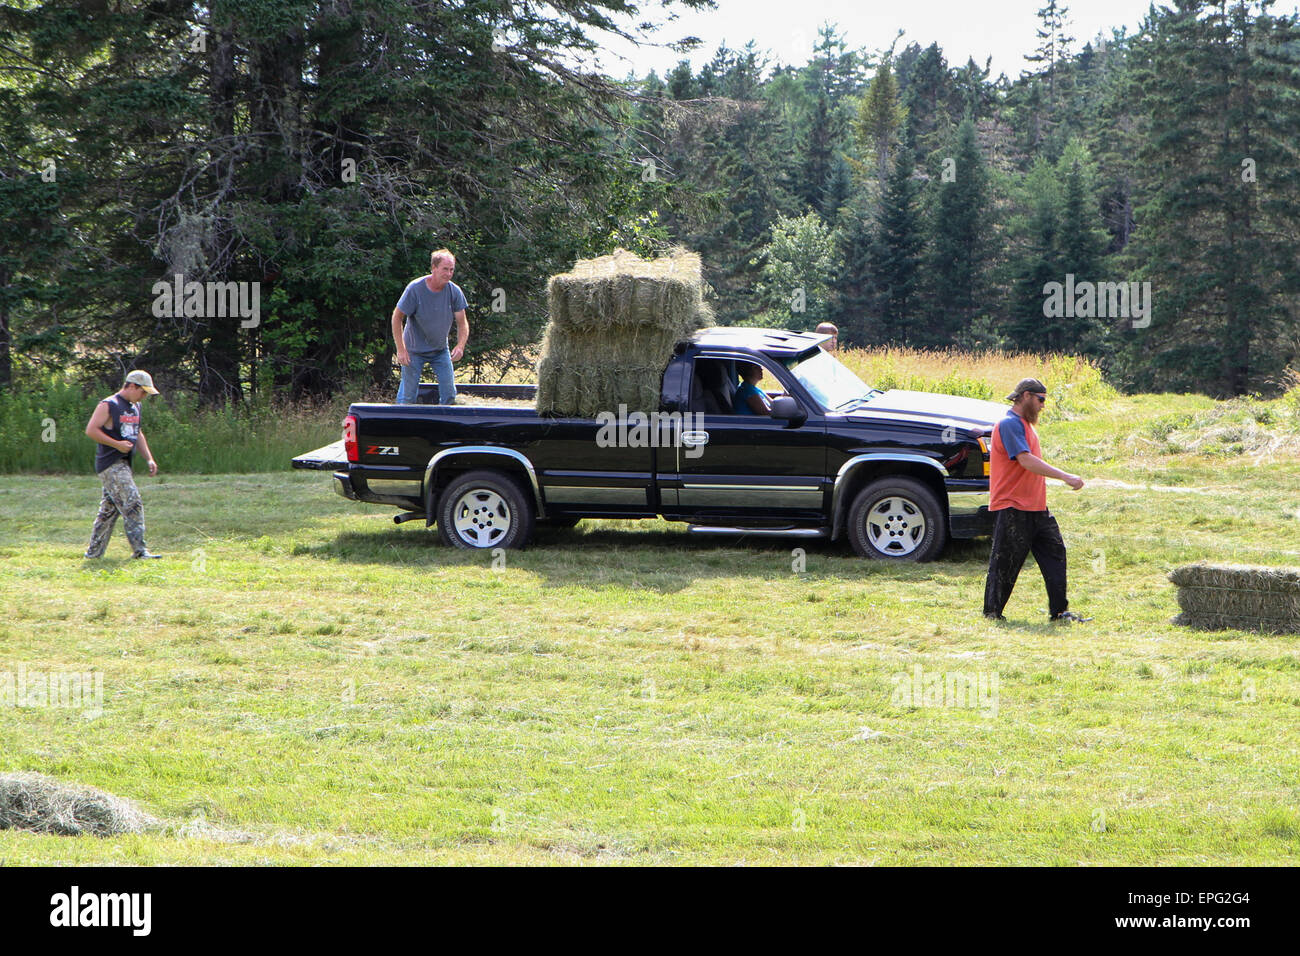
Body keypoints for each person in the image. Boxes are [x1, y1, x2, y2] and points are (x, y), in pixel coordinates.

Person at [983, 377, 1091, 623]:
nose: (1043, 405)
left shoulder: (1025, 425)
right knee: (1006, 563)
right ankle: (992, 613)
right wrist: (1065, 476)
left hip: (1036, 507)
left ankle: (1059, 612)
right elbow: (1025, 460)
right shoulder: (1010, 424)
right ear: (1026, 396)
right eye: (1041, 400)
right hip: (1013, 506)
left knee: (1055, 553)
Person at [84, 370, 161, 559]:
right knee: (132, 502)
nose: (144, 396)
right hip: (110, 464)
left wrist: (149, 458)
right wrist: (116, 444)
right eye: (143, 392)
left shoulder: (136, 407)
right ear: (132, 386)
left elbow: (138, 433)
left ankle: (93, 554)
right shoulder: (109, 405)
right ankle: (140, 551)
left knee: (108, 511)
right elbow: (91, 430)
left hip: (125, 464)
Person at [391, 248, 469, 404]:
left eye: (451, 270)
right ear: (434, 268)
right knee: (408, 397)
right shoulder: (415, 289)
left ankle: (444, 425)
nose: (448, 274)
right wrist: (401, 349)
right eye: (445, 269)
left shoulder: (454, 291)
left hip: (440, 349)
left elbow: (462, 323)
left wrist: (460, 346)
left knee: (449, 394)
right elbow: (396, 318)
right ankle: (402, 423)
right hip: (414, 350)